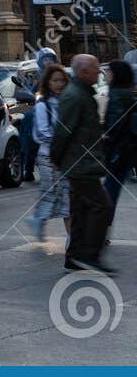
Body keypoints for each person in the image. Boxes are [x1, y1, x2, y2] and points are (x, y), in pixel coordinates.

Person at [55, 54, 114, 272]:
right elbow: (62, 132)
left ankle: (74, 257)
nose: (99, 72)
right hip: (79, 164)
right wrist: (56, 159)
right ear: (83, 72)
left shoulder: (82, 94)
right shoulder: (75, 96)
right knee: (102, 207)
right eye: (95, 68)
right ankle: (89, 255)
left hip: (81, 162)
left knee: (80, 210)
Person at [27, 63, 72, 244]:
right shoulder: (42, 105)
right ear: (48, 82)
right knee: (51, 193)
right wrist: (58, 148)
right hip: (48, 157)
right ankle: (38, 220)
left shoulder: (68, 102)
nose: (59, 84)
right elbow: (42, 133)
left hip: (66, 156)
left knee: (67, 196)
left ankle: (70, 237)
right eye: (55, 80)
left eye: (62, 80)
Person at [102, 60, 136, 213]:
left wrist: (104, 137)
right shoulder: (125, 93)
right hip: (125, 150)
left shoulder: (117, 95)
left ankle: (101, 232)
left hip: (119, 152)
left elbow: (114, 127)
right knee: (110, 192)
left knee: (109, 193)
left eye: (109, 71)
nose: (106, 75)